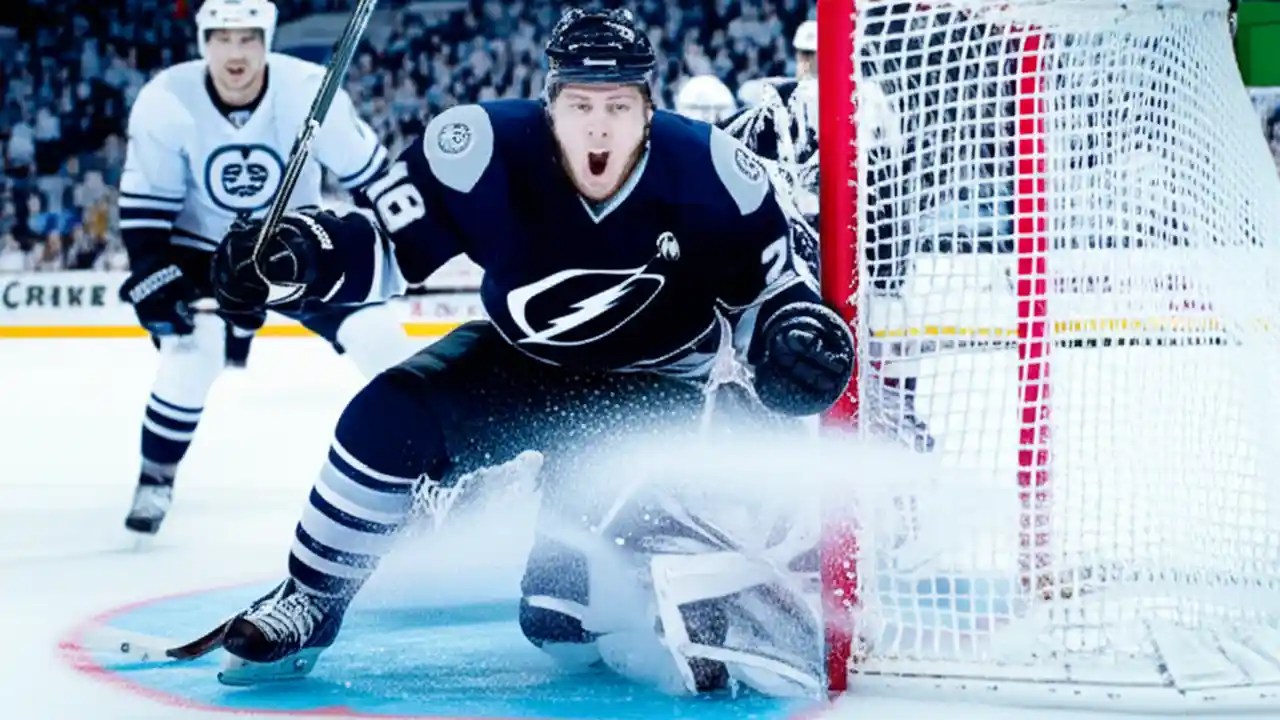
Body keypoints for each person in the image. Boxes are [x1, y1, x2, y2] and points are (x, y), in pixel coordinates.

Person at [205, 7, 855, 694]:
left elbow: (771, 296)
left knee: (559, 626)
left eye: (618, 105)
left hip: (654, 387)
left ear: (647, 110)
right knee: (384, 416)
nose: (598, 125)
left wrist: (794, 341)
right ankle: (311, 596)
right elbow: (386, 246)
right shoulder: (478, 150)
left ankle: (669, 566)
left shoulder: (712, 172)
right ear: (550, 107)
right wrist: (297, 254)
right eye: (580, 105)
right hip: (520, 360)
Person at [117, 0, 418, 536]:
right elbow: (147, 207)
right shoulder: (166, 98)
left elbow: (373, 179)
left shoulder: (309, 91)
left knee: (382, 338)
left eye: (249, 38)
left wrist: (410, 247)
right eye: (224, 38)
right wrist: (151, 271)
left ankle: (428, 474)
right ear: (203, 42)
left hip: (298, 246)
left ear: (268, 40)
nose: (236, 52)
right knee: (193, 356)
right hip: (202, 250)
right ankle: (155, 477)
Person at [723, 14, 937, 452]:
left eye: (809, 55)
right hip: (854, 252)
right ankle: (895, 437)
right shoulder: (826, 98)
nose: (807, 63)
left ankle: (890, 431)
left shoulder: (814, 99)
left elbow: (883, 182)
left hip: (836, 251)